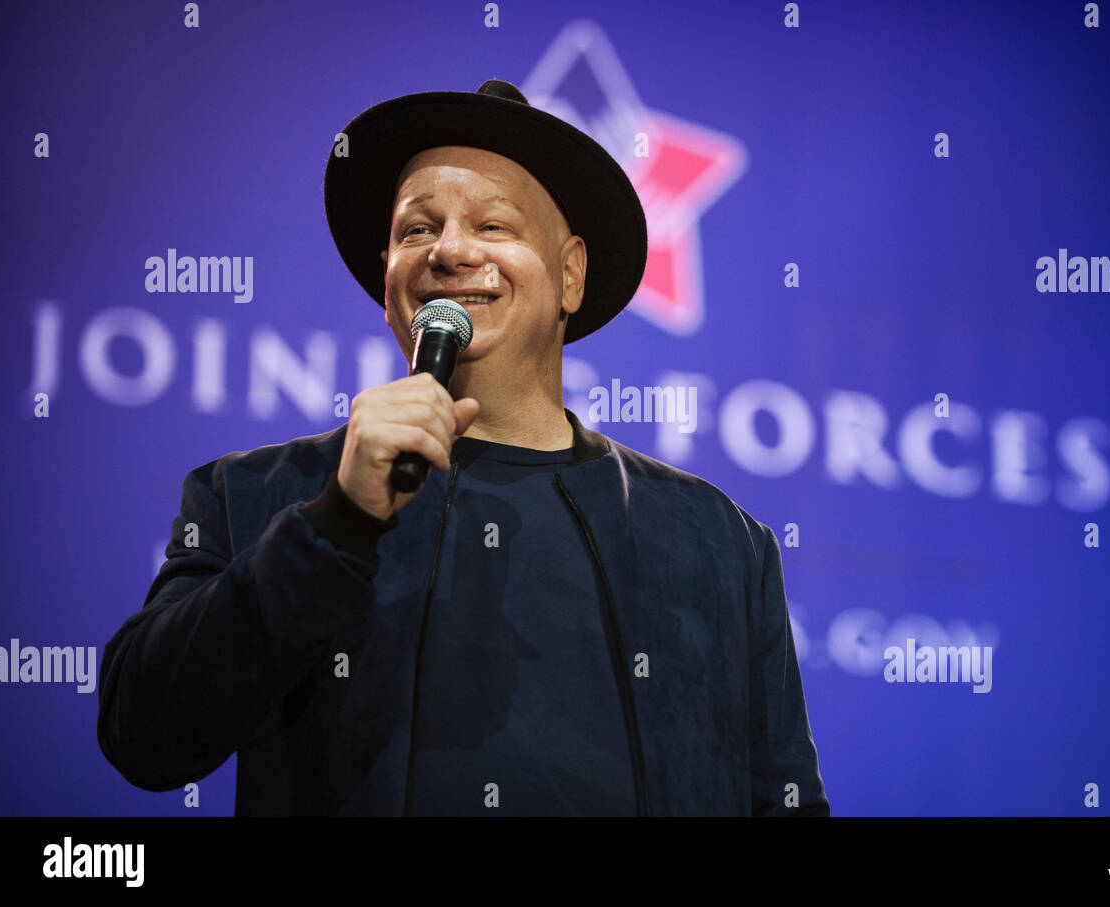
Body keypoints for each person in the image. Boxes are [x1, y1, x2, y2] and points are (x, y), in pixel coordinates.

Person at [97, 79, 829, 816]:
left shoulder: (718, 543)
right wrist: (338, 523)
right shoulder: (257, 495)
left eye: (493, 226)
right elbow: (142, 734)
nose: (449, 250)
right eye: (417, 229)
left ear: (570, 273)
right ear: (387, 287)